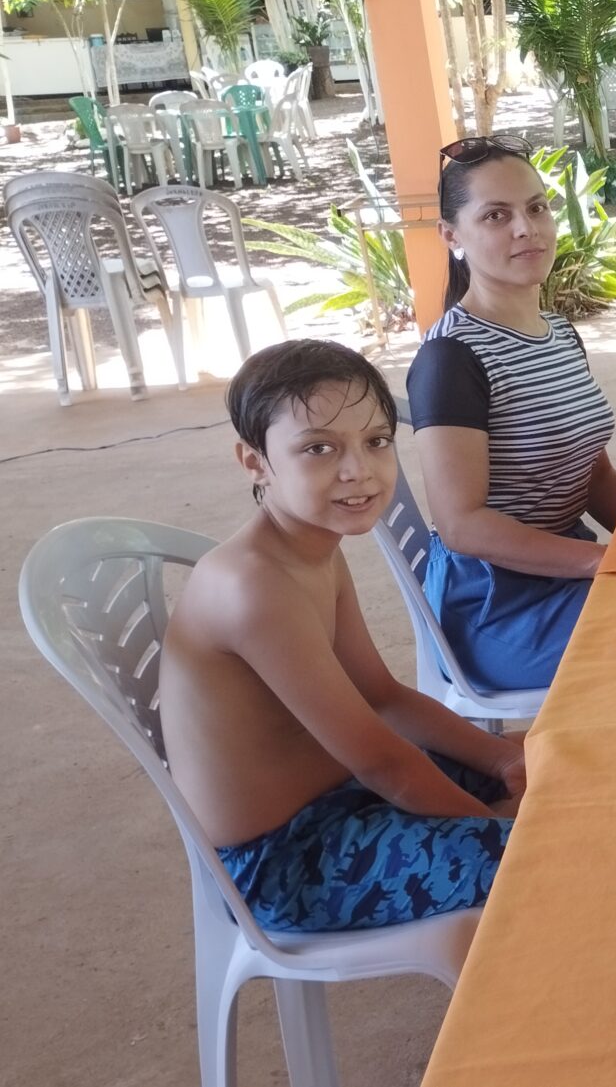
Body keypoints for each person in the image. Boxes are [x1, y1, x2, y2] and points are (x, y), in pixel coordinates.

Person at [158, 340, 526, 932]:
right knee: (556, 851)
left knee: (562, 762)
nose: (358, 470)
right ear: (254, 462)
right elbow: (386, 764)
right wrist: (498, 827)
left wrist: (506, 757)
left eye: (376, 441)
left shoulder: (315, 549)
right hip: (286, 861)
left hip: (351, 792)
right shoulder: (254, 586)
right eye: (318, 448)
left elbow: (382, 696)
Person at [408, 134, 616, 691]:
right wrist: (606, 563)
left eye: (536, 207)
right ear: (451, 236)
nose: (526, 227)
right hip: (496, 605)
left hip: (566, 563)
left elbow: (594, 474)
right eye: (495, 215)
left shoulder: (558, 334)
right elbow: (462, 525)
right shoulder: (451, 358)